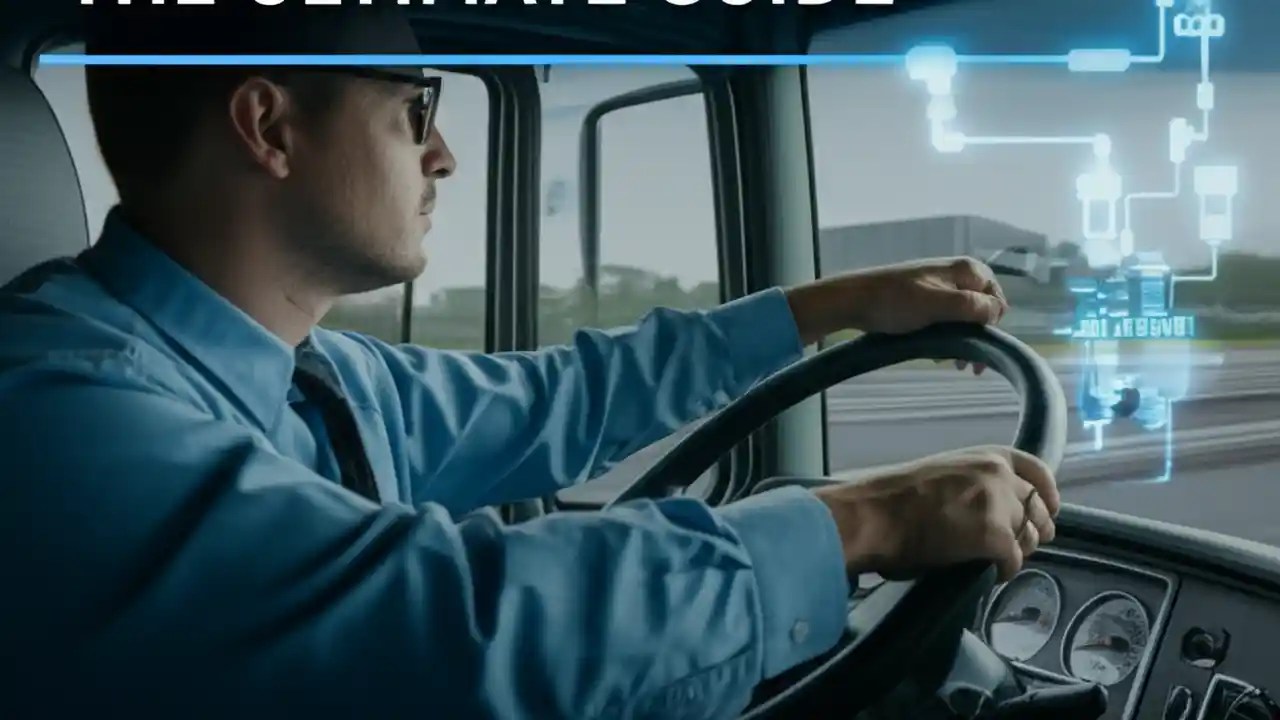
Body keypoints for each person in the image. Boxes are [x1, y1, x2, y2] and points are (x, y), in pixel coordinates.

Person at [0, 5, 1059, 718]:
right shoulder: (56, 409)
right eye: (414, 110)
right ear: (267, 126)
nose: (444, 155)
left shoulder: (316, 373)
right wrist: (859, 524)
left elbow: (560, 399)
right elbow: (446, 623)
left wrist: (826, 306)